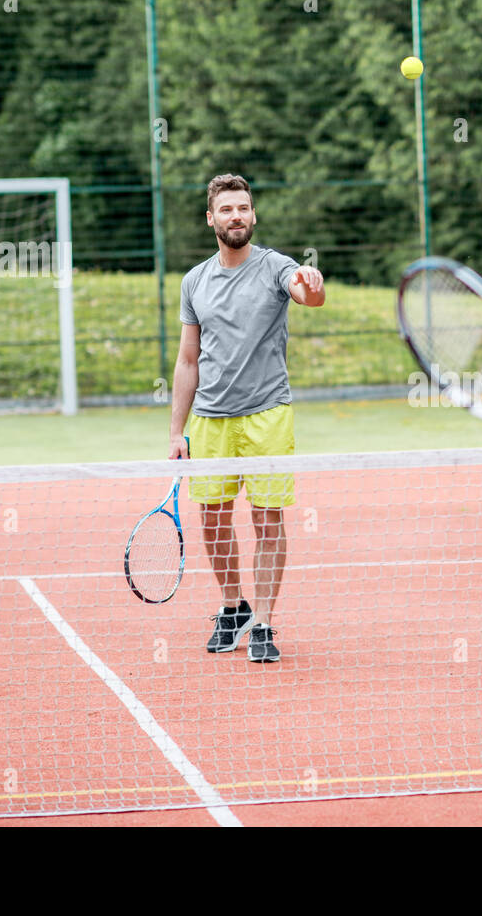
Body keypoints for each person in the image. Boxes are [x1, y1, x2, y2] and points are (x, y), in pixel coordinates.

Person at [168, 173, 326, 660]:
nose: (236, 216)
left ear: (253, 215)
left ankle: (264, 623)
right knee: (214, 522)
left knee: (267, 518)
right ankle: (232, 606)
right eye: (227, 209)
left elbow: (307, 295)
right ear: (211, 218)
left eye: (244, 208)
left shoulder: (276, 267)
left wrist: (312, 284)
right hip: (211, 421)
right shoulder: (194, 281)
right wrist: (177, 430)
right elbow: (188, 360)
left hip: (267, 416)